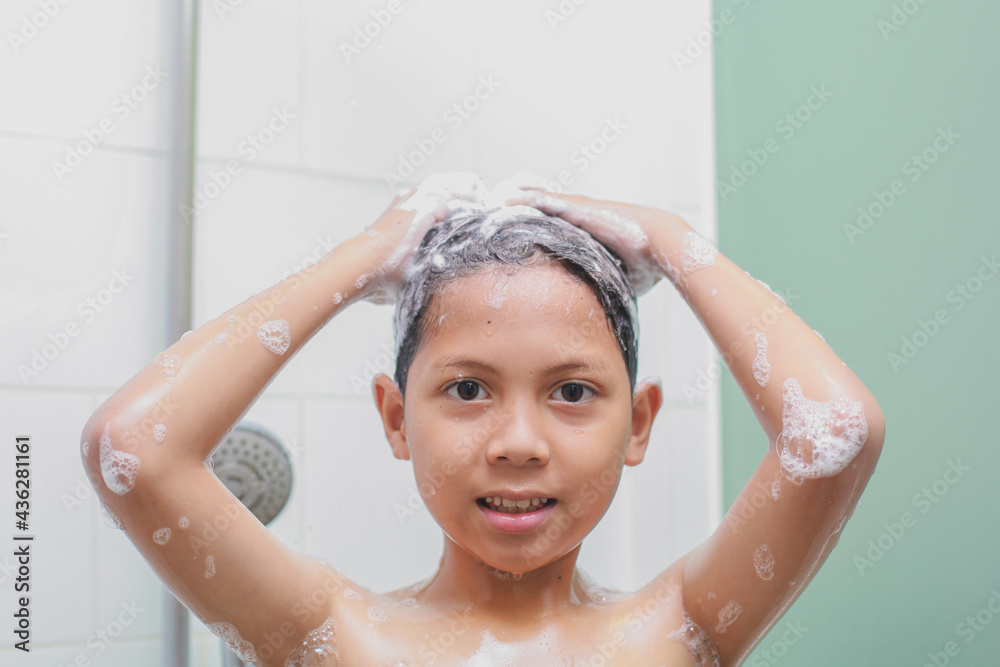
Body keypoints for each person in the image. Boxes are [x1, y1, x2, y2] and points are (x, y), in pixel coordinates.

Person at [81, 172, 885, 666]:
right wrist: (365, 256)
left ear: (639, 424)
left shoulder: (679, 632)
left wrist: (674, 242)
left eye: (572, 392)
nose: (519, 444)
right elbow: (133, 449)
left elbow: (836, 430)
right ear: (396, 419)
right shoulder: (333, 638)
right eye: (468, 390)